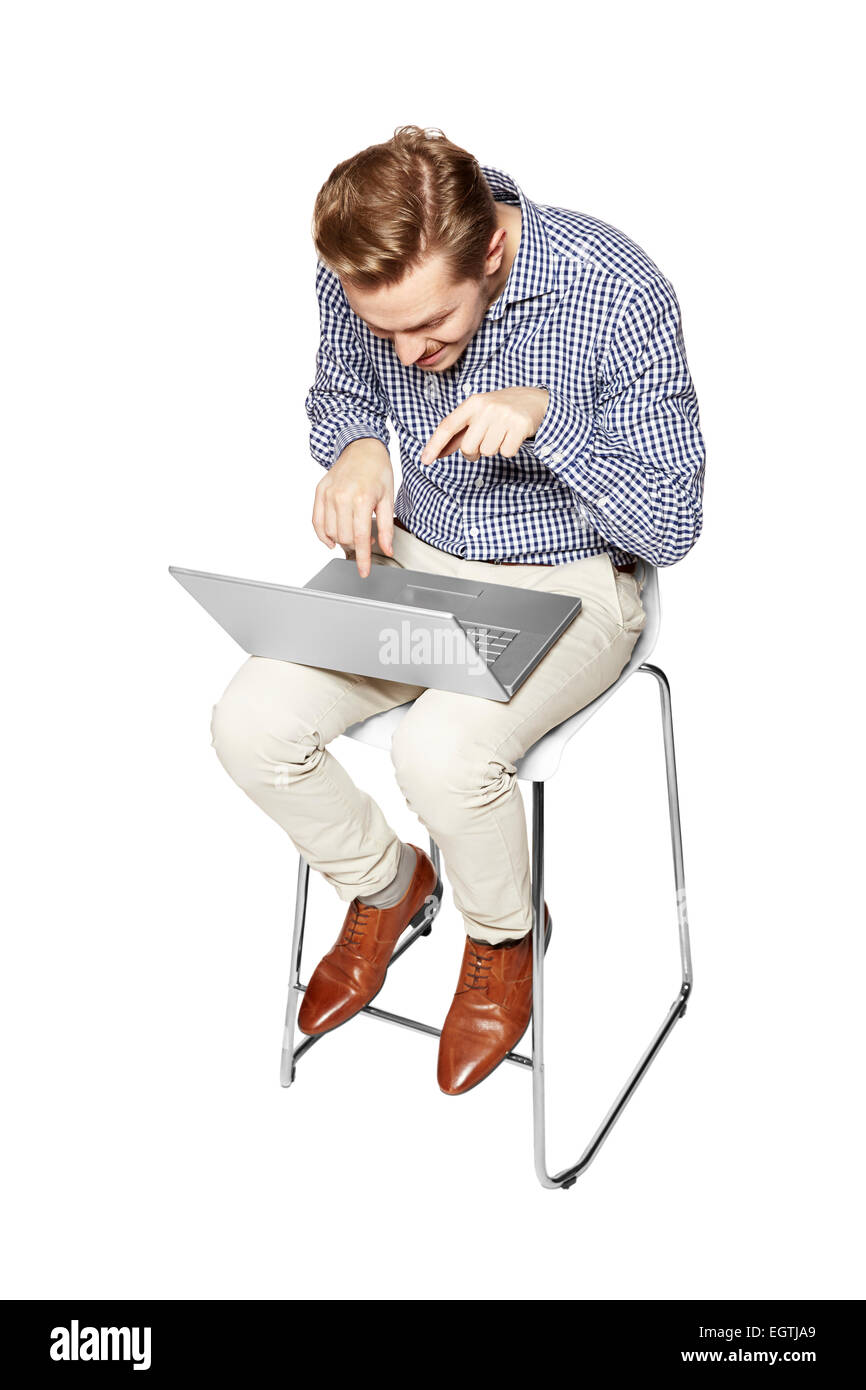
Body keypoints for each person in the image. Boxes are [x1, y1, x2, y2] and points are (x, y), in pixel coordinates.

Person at [210, 125, 705, 1095]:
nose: (410, 354)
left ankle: (503, 935)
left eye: (429, 326)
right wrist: (354, 445)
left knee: (437, 752)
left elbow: (673, 524)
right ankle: (388, 889)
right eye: (383, 327)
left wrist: (551, 425)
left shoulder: (617, 287)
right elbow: (346, 387)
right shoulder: (368, 269)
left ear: (488, 253)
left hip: (570, 579)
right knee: (249, 722)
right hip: (415, 563)